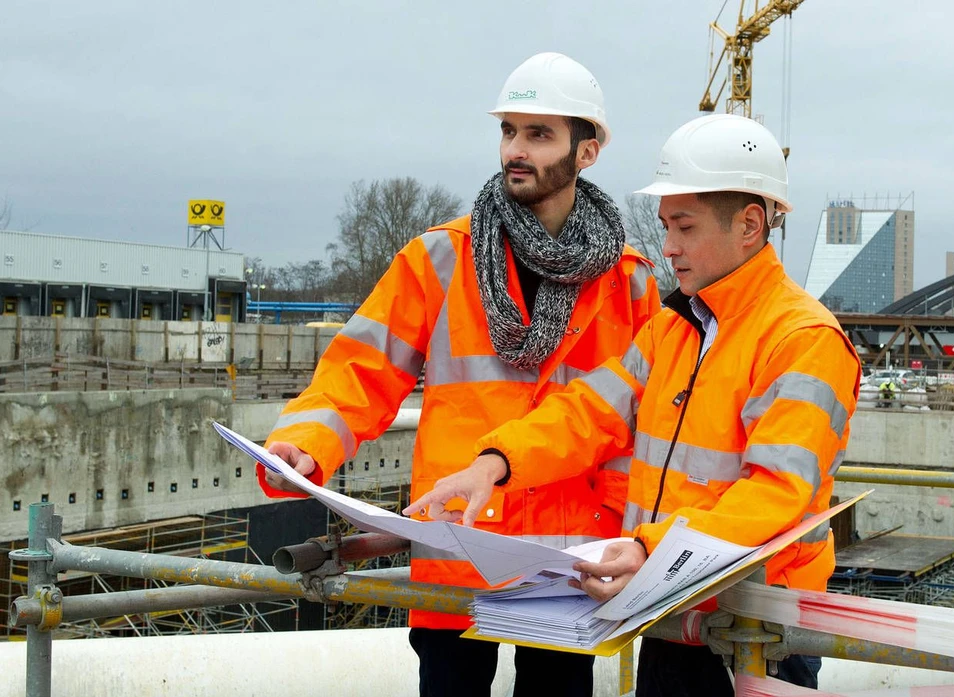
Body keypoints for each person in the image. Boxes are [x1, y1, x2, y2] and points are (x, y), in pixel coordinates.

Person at [410, 114, 862, 695]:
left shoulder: (803, 342)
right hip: (674, 612)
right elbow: (590, 412)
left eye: (685, 227)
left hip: (758, 627)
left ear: (750, 224)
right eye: (665, 225)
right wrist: (493, 463)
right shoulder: (677, 328)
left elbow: (775, 492)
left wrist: (650, 548)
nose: (667, 247)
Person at [258, 52, 661, 697]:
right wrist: (304, 444)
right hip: (456, 548)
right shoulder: (442, 258)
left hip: (568, 563)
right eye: (508, 131)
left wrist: (622, 533)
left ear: (586, 152)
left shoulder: (627, 281)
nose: (515, 150)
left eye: (538, 134)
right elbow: (362, 368)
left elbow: (642, 420)